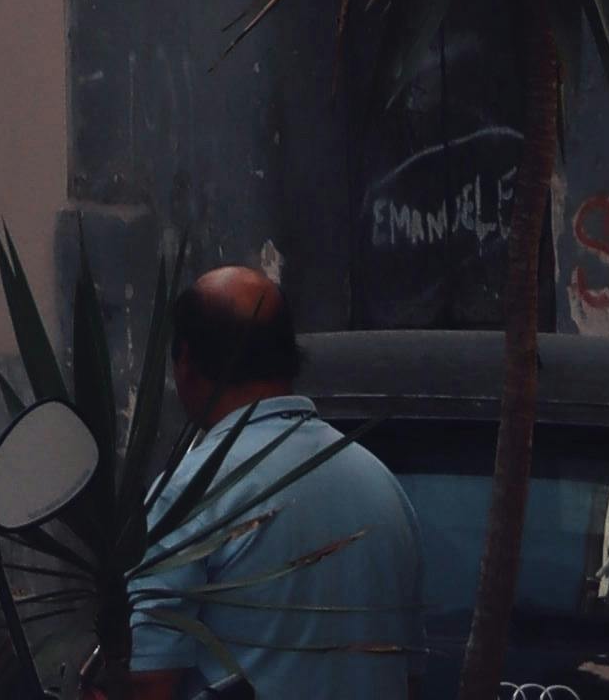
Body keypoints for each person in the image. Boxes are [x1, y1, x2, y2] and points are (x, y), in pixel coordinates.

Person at [124, 266, 424, 700]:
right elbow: (409, 678)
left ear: (185, 361)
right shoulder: (383, 487)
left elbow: (151, 682)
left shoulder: (188, 494)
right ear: (288, 354)